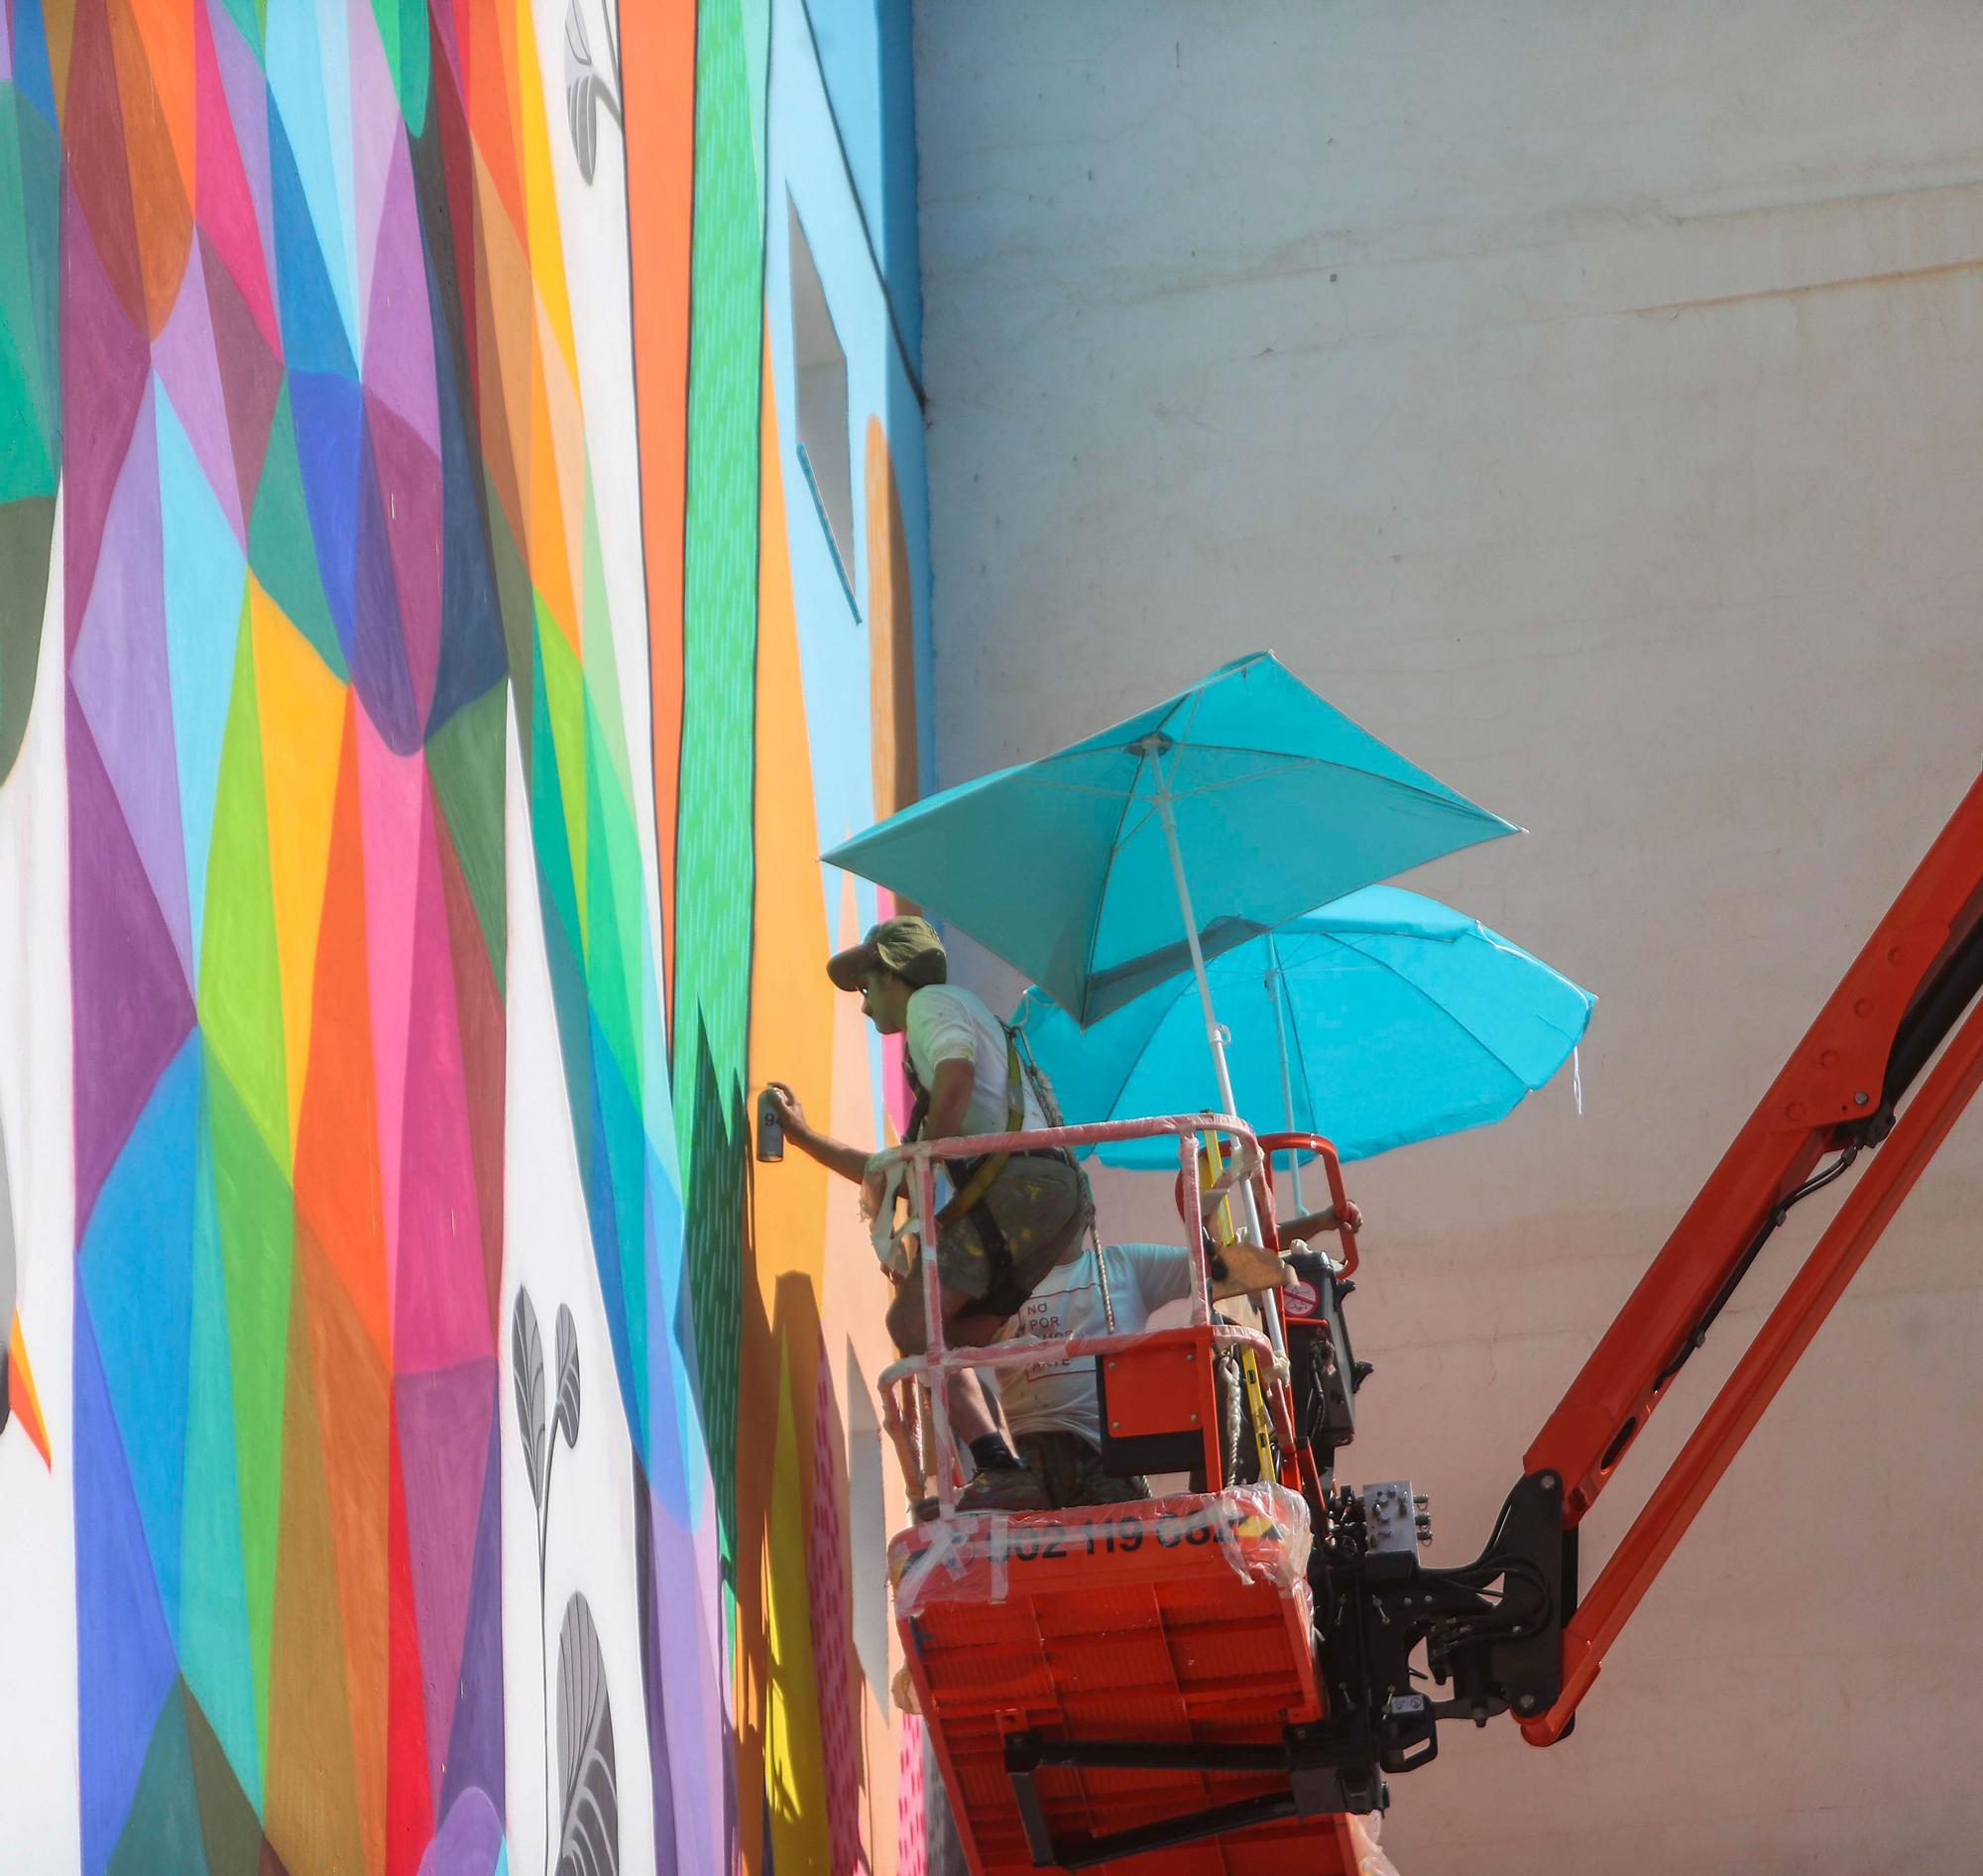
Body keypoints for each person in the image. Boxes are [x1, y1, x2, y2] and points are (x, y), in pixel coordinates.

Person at [763, 915, 1091, 1513]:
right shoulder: (963, 1024)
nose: (864, 1009)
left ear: (894, 976)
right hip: (1052, 1198)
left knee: (911, 1329)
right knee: (955, 1340)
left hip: (1021, 1189)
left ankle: (998, 1467)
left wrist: (927, 1152)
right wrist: (804, 1137)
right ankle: (1006, 1470)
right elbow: (895, 1173)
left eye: (867, 988)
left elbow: (955, 1077)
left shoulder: (932, 1005)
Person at [997, 1186, 1363, 1509]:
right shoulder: (1000, 1288)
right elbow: (952, 1344)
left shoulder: (1121, 1266)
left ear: (1084, 1213)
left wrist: (1297, 1244)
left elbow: (1222, 1267)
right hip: (1027, 1454)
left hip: (1104, 1452)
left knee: (1136, 1557)